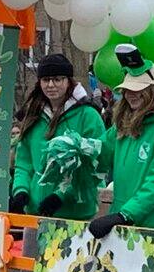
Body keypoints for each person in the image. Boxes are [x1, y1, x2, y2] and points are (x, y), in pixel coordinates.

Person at [90, 45, 154, 237]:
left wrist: (125, 214)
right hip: (124, 227)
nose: (131, 94)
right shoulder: (124, 124)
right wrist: (74, 152)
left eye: (139, 89)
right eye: (127, 90)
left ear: (153, 90)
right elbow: (99, 152)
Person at [10, 52, 106, 220]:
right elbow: (23, 163)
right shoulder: (33, 115)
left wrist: (61, 195)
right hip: (35, 212)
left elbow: (94, 165)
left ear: (69, 81)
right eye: (46, 80)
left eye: (57, 79)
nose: (51, 85)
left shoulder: (88, 115)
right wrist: (20, 190)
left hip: (75, 214)